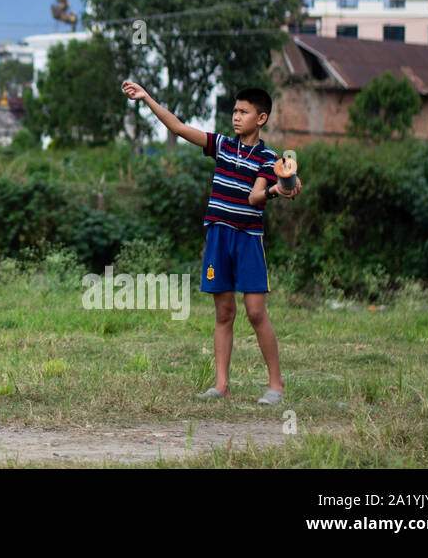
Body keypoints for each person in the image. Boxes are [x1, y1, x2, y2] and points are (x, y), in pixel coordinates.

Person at [120, 80, 301, 406]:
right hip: (218, 236)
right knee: (223, 313)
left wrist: (278, 189)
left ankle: (276, 385)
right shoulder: (221, 144)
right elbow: (176, 126)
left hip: (248, 239)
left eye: (243, 112)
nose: (236, 117)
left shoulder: (267, 157)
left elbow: (255, 196)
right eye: (234, 110)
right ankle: (221, 385)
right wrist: (146, 97)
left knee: (256, 313)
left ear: (260, 118)